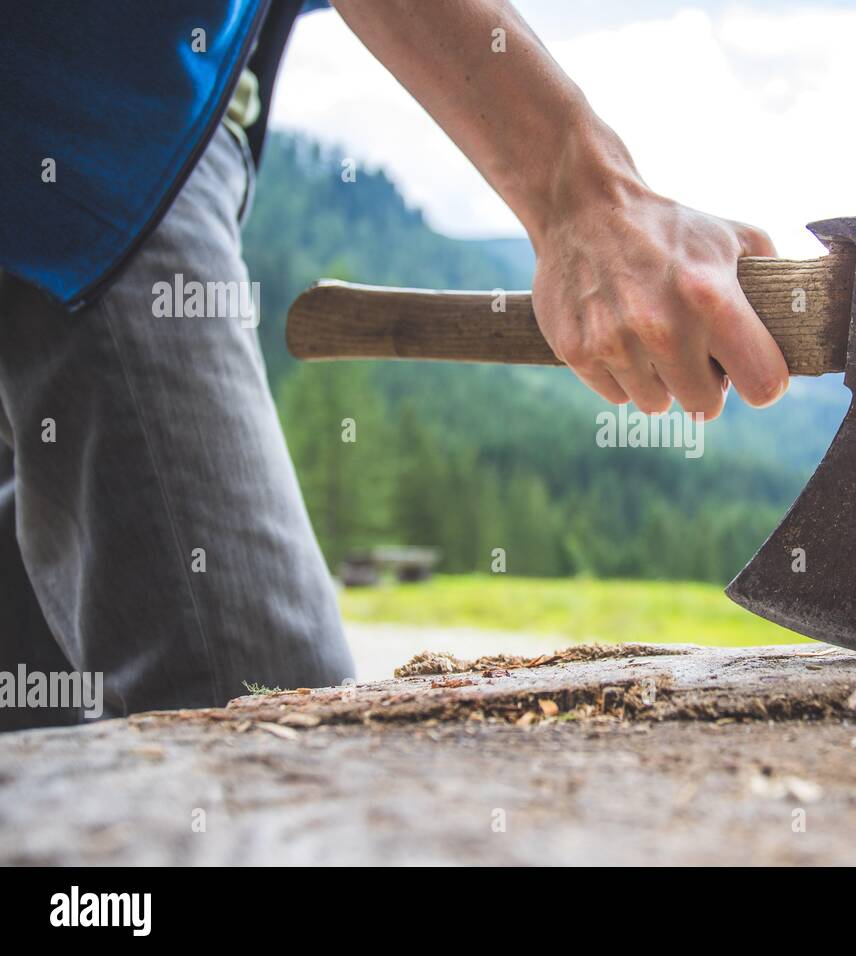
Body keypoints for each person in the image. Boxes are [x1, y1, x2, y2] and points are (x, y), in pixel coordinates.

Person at [0, 0, 789, 730]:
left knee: (33, 686)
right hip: (89, 142)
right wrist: (581, 190)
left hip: (114, 134)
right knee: (270, 723)